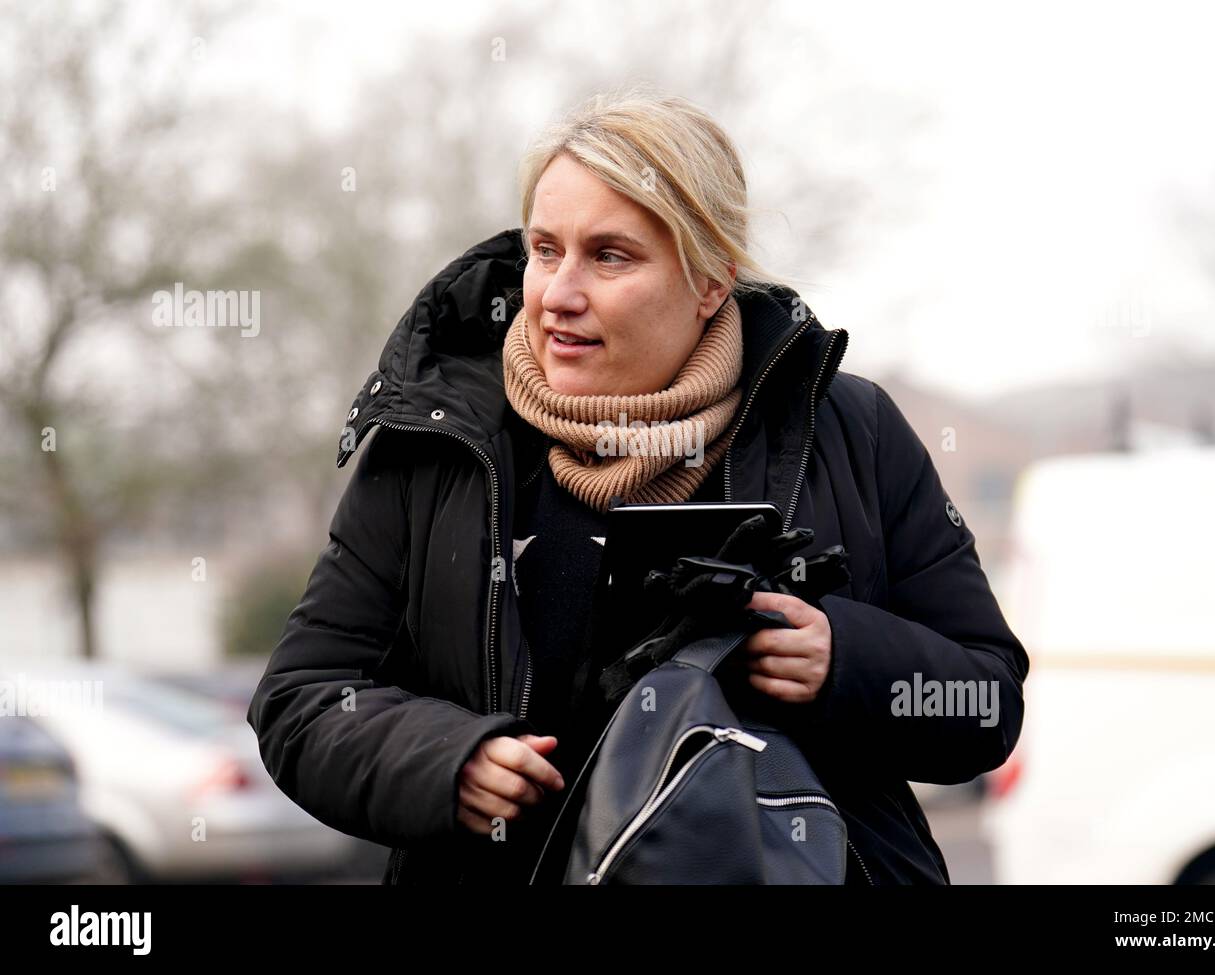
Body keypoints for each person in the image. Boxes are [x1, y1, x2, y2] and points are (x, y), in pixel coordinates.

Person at [246, 83, 1029, 885]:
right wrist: (448, 758)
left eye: (609, 255)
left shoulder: (848, 428)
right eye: (545, 250)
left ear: (711, 280)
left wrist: (847, 662)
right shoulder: (434, 443)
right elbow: (302, 698)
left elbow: (986, 701)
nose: (557, 293)